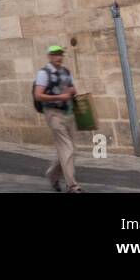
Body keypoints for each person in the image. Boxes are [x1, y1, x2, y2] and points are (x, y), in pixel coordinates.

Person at [35, 45, 82, 193]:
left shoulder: (66, 72)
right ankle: (72, 186)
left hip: (68, 113)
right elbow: (38, 95)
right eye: (55, 54)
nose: (59, 57)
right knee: (67, 149)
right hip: (53, 113)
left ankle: (52, 175)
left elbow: (72, 88)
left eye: (60, 54)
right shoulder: (44, 73)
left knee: (72, 150)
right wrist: (59, 97)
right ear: (49, 56)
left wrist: (72, 91)